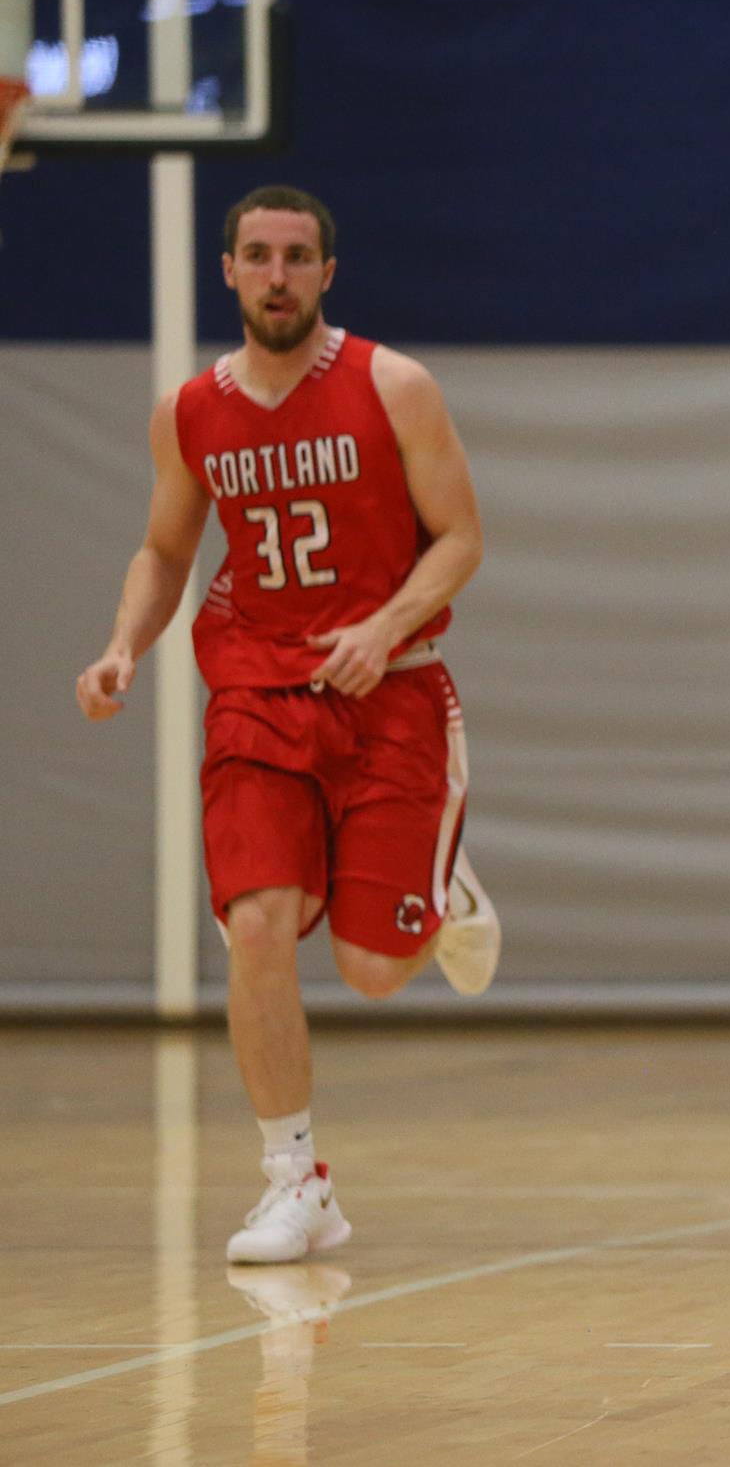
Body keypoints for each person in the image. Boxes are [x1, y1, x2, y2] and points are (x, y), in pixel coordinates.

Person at [74, 185, 501, 1264]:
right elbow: (167, 550)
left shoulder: (393, 385)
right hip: (257, 694)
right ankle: (294, 1179)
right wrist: (126, 643)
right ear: (228, 271)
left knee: (368, 967)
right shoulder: (190, 411)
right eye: (257, 255)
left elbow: (458, 538)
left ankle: (441, 884)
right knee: (256, 926)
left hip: (389, 687)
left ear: (326, 273)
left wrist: (384, 620)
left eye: (296, 257)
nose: (276, 274)